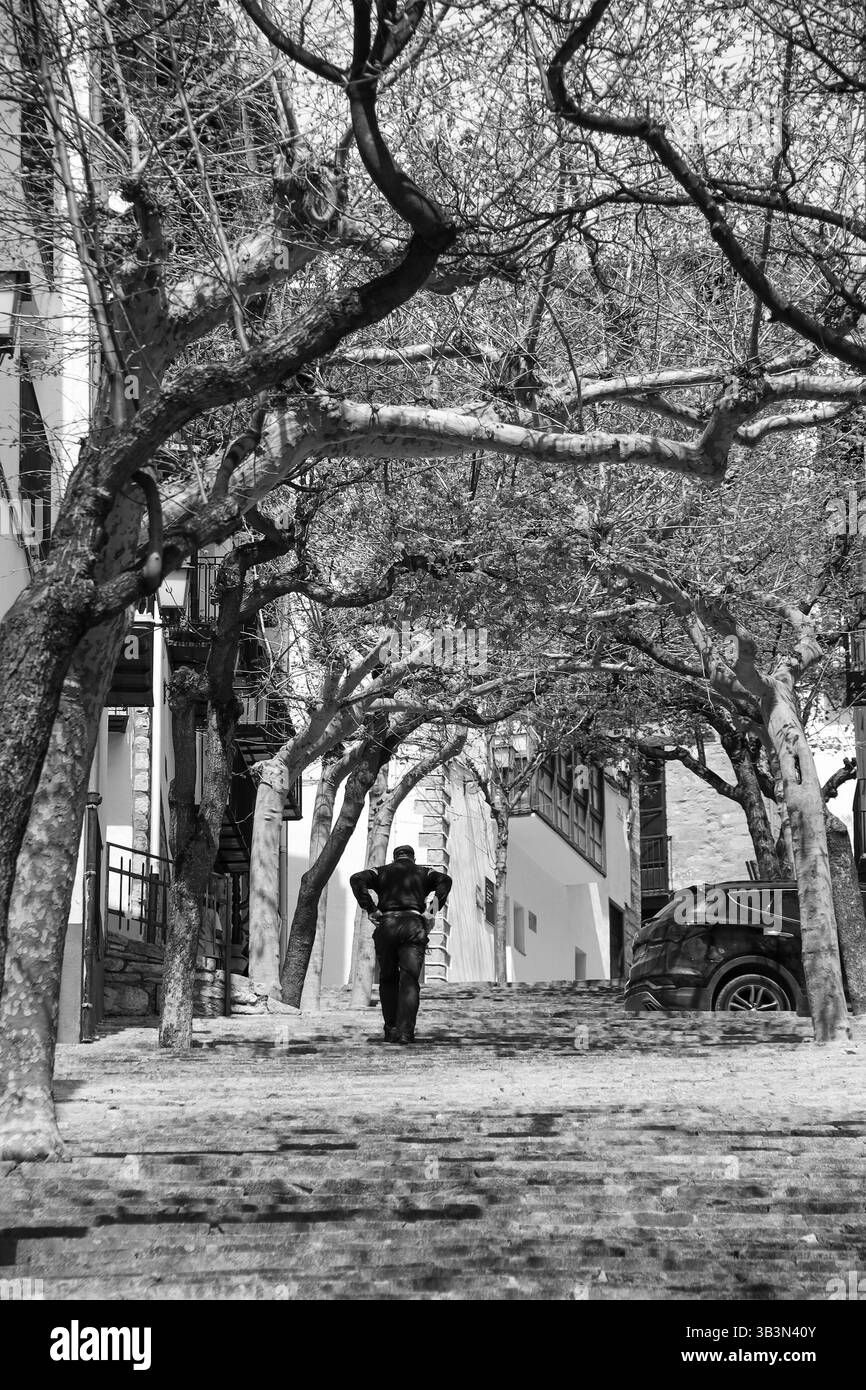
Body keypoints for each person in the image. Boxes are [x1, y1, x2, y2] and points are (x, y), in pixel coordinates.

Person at [350, 845, 452, 1044]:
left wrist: (370, 908)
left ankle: (391, 1030)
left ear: (394, 858)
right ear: (413, 859)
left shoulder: (380, 872)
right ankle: (406, 1032)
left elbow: (356, 879)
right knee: (409, 980)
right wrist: (431, 911)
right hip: (413, 925)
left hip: (387, 924)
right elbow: (445, 881)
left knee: (387, 978)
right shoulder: (424, 872)